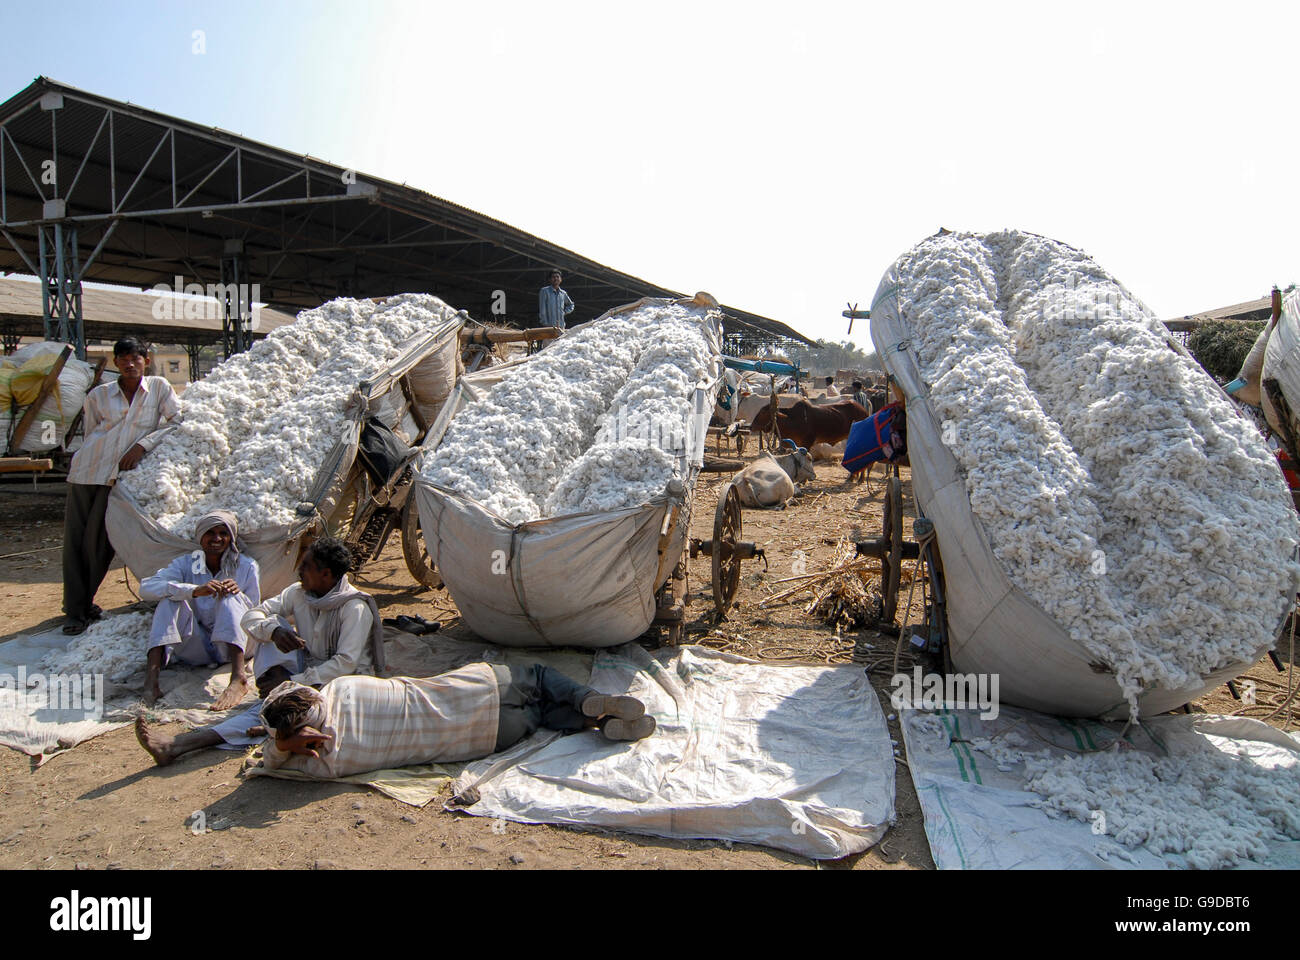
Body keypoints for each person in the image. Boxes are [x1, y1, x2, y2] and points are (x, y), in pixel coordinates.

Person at [134, 662, 656, 772]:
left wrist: (287, 746)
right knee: (540, 680)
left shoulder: (326, 760)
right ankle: (590, 702)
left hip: (488, 737)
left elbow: (270, 759)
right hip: (480, 689)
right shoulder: (344, 687)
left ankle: (591, 724)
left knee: (539, 718)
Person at [63, 338, 181, 635]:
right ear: (115, 363)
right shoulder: (99, 395)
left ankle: (81, 604)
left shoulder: (158, 388)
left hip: (118, 478)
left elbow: (175, 421)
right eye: (123, 359)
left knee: (98, 543)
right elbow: (92, 432)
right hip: (87, 471)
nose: (130, 364)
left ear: (146, 360)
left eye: (135, 358)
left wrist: (142, 445)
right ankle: (76, 611)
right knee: (75, 542)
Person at [138, 510, 260, 710]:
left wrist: (238, 595)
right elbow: (147, 588)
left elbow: (254, 615)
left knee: (229, 593)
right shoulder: (187, 564)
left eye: (223, 533)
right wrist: (194, 591)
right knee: (169, 600)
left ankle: (239, 678)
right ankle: (151, 681)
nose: (217, 539)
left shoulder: (247, 566)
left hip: (236, 647)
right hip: (198, 647)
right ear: (200, 537)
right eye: (210, 533)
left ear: (231, 538)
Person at [241, 537, 385, 695]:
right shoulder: (298, 593)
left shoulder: (355, 607)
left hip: (343, 685)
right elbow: (250, 617)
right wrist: (274, 632)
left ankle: (282, 692)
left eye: (305, 566)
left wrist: (293, 681)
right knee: (271, 624)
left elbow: (346, 663)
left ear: (325, 574)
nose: (299, 571)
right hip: (305, 674)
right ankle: (274, 692)